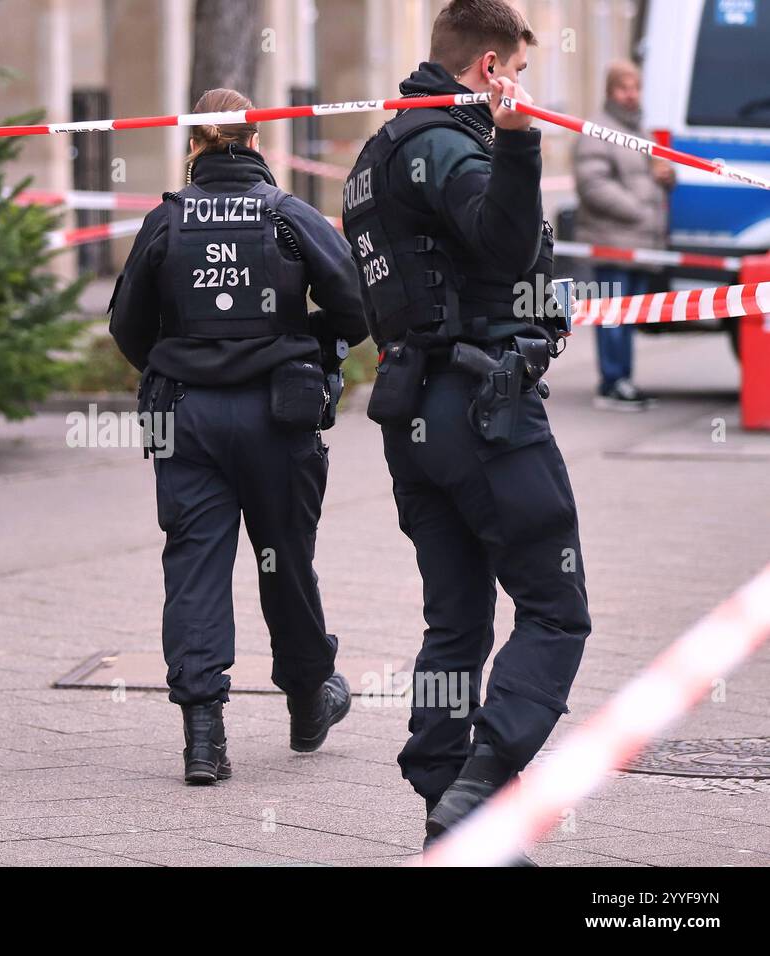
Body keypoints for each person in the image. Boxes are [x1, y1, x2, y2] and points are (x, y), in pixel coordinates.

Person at [342, 0, 591, 858]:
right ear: (489, 68)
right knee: (556, 611)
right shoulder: (450, 142)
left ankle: (452, 810)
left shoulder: (376, 156)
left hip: (413, 412)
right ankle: (487, 776)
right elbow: (507, 241)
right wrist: (518, 141)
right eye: (515, 72)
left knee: (455, 621)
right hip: (486, 408)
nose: (520, 87)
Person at [109, 88, 368, 785]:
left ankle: (203, 737)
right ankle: (310, 702)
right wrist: (306, 344)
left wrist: (186, 356)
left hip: (185, 417)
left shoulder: (166, 222)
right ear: (255, 143)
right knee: (284, 560)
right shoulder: (288, 217)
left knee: (195, 566)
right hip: (276, 418)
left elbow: (128, 326)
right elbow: (355, 299)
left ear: (194, 145)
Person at [574, 60, 673, 411]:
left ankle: (624, 381)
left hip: (638, 241)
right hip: (613, 240)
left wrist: (665, 175)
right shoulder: (598, 131)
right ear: (610, 91)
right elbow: (593, 185)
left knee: (627, 315)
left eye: (635, 88)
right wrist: (639, 212)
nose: (630, 95)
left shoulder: (639, 132)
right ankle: (612, 383)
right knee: (612, 315)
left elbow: (653, 174)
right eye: (623, 88)